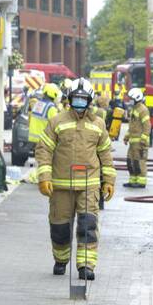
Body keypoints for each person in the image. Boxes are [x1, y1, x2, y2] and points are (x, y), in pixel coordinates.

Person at [35, 77, 114, 280]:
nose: (79, 103)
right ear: (70, 99)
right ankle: (61, 260)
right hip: (61, 185)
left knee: (88, 226)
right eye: (76, 98)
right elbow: (44, 149)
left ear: (89, 100)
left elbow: (105, 153)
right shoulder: (57, 121)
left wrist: (109, 181)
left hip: (89, 185)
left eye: (83, 99)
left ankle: (86, 266)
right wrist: (44, 177)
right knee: (60, 227)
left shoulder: (98, 124)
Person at [124, 88, 151, 189]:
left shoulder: (143, 110)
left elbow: (147, 126)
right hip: (132, 142)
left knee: (139, 162)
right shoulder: (134, 109)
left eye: (131, 98)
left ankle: (141, 181)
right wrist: (127, 136)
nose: (130, 100)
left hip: (139, 143)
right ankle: (133, 180)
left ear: (137, 98)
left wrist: (143, 139)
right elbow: (132, 126)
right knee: (130, 162)